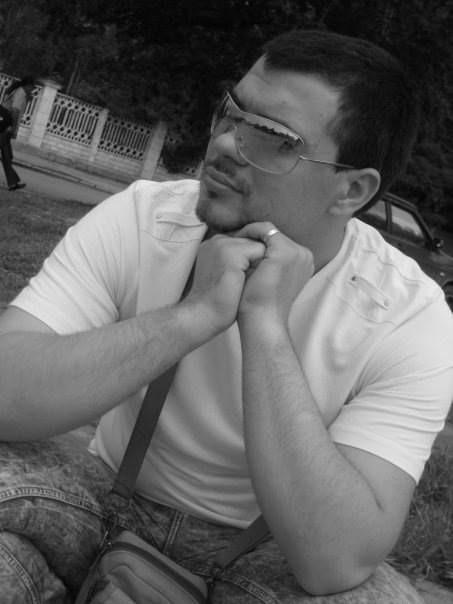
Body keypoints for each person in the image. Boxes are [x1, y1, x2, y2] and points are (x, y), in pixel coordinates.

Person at [0, 29, 451, 603]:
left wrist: (266, 326)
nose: (225, 144)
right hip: (101, 495)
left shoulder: (408, 317)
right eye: (231, 112)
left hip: (262, 556)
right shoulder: (143, 218)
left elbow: (335, 559)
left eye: (273, 137)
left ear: (351, 191)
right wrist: (194, 315)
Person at [0, 75, 36, 191]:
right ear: (28, 85)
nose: (32, 90)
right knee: (7, 156)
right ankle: (13, 183)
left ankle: (13, 183)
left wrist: (27, 100)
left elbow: (15, 107)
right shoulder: (21, 93)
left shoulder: (18, 92)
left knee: (7, 157)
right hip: (6, 128)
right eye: (32, 87)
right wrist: (14, 127)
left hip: (4, 127)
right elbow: (15, 110)